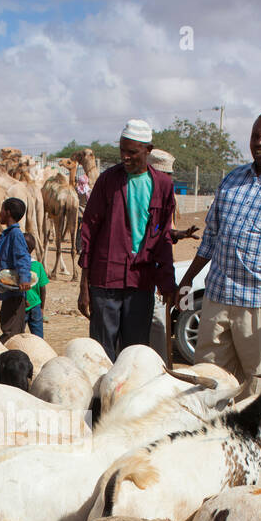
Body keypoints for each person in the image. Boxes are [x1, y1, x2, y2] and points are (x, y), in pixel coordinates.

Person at [177, 111, 261, 392]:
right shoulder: (232, 180)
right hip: (218, 298)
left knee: (254, 387)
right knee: (207, 382)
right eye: (255, 136)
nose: (259, 142)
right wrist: (188, 279)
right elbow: (210, 239)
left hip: (260, 305)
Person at [78, 118, 177, 361]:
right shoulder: (107, 181)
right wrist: (84, 286)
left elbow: (163, 238)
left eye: (132, 152)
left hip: (140, 283)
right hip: (105, 281)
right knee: (102, 354)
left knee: (134, 355)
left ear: (148, 151)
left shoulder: (163, 186)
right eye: (122, 150)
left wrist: (168, 283)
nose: (125, 157)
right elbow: (88, 231)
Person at [0, 198, 32, 340]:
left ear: (8, 212)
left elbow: (22, 257)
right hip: (9, 291)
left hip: (15, 292)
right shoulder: (8, 234)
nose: (0, 213)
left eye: (2, 210)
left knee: (11, 332)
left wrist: (24, 278)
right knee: (7, 323)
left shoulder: (15, 234)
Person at [23, 233, 48, 337]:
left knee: (19, 336)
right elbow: (43, 288)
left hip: (22, 306)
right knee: (38, 337)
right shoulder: (38, 266)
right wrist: (42, 307)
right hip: (36, 304)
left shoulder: (18, 266)